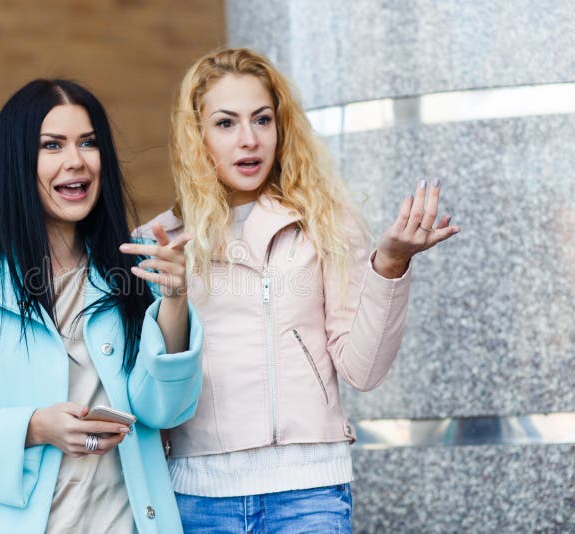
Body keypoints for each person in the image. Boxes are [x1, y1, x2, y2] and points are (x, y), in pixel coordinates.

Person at [136, 48, 461, 532]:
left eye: (262, 120)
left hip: (310, 494)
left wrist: (390, 264)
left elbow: (363, 369)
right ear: (196, 136)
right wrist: (175, 296)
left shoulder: (327, 224)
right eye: (226, 123)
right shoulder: (160, 243)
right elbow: (155, 394)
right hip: (198, 498)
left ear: (281, 128)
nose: (249, 140)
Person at [0, 79, 203, 533]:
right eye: (51, 146)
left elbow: (163, 411)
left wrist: (174, 299)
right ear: (19, 162)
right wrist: (34, 427)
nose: (75, 161)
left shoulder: (133, 270)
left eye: (88, 143)